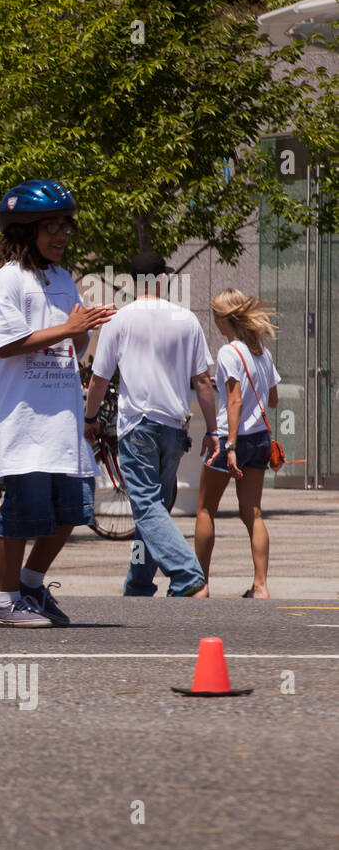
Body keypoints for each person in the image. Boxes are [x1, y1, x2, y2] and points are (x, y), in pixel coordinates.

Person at [0, 179, 115, 627]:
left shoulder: (62, 279)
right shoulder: (9, 279)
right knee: (22, 515)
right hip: (24, 419)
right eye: (51, 226)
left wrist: (85, 328)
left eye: (66, 226)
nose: (61, 235)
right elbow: (6, 344)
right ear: (24, 230)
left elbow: (72, 347)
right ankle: (6, 604)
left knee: (71, 512)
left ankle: (31, 586)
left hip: (62, 418)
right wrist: (67, 328)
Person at [83, 252, 220, 597]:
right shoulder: (186, 320)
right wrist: (213, 430)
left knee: (146, 505)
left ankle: (188, 574)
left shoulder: (118, 320)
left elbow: (100, 379)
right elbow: (203, 381)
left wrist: (90, 418)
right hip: (174, 427)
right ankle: (139, 583)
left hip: (138, 425)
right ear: (160, 279)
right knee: (154, 505)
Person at [193, 289, 280, 599]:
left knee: (205, 509)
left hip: (234, 440)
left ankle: (200, 585)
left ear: (222, 319)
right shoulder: (262, 352)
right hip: (259, 439)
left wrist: (229, 446)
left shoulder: (230, 352)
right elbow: (272, 399)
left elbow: (235, 400)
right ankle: (261, 585)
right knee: (253, 512)